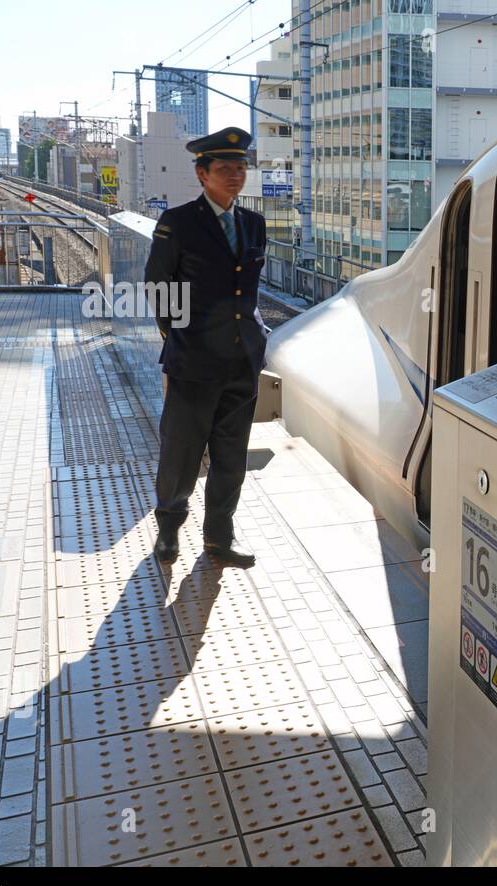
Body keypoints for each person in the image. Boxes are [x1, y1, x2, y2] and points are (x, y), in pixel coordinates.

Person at [144, 126, 269, 569]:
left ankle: (219, 540)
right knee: (180, 456)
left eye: (241, 167)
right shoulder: (177, 223)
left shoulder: (254, 223)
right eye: (225, 168)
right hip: (193, 365)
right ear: (202, 173)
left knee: (231, 459)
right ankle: (168, 532)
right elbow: (158, 289)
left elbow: (247, 291)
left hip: (242, 362)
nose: (236, 175)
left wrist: (255, 336)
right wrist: (182, 339)